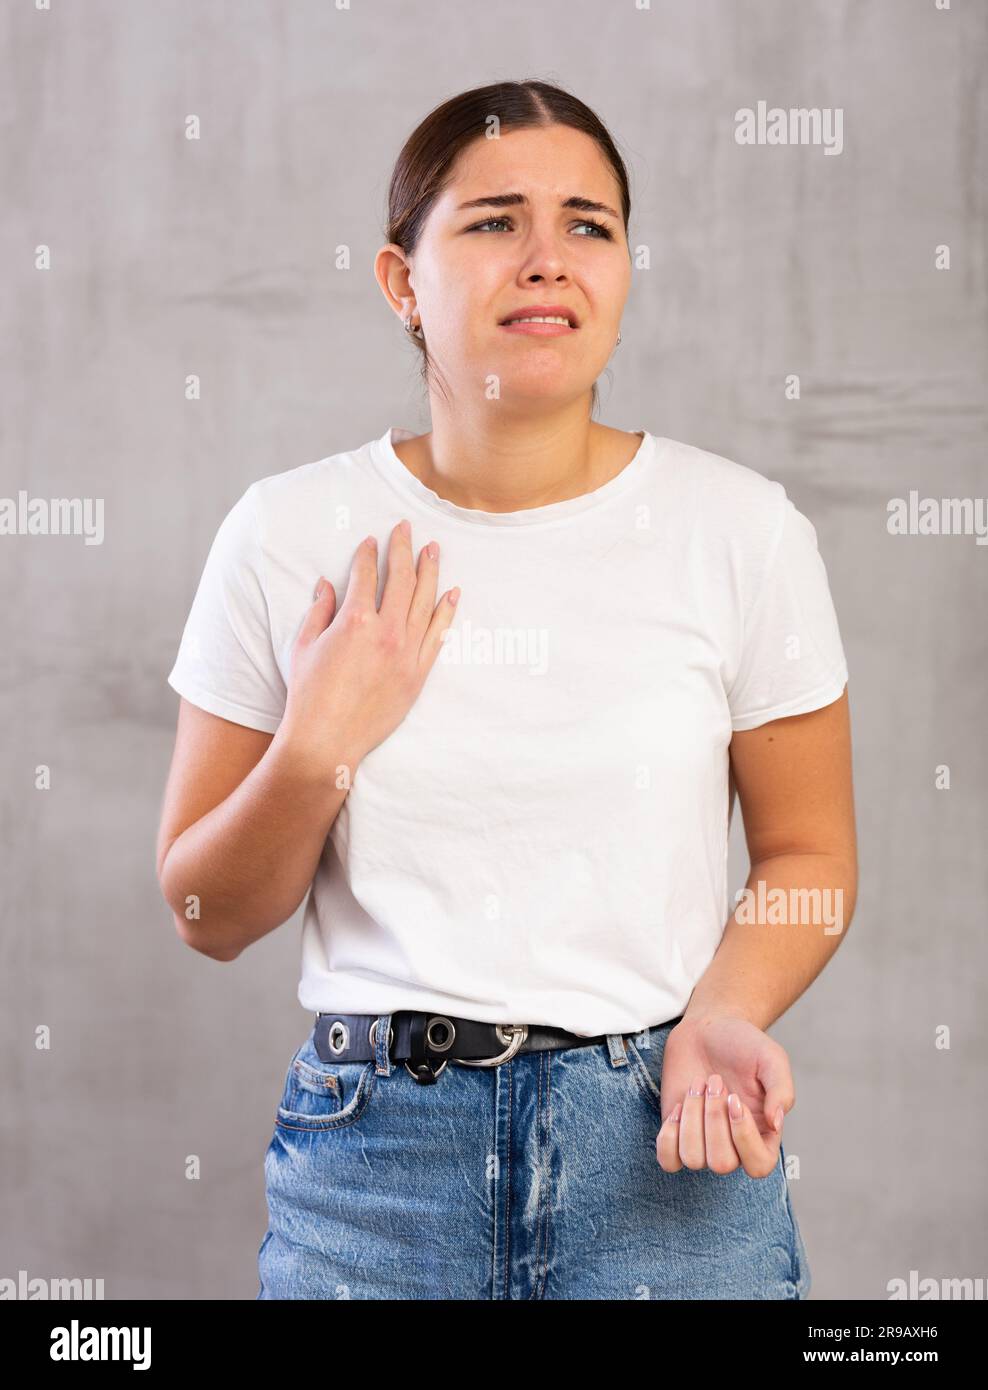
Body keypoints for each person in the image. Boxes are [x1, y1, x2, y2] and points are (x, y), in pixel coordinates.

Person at [157, 79, 856, 1300]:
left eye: (588, 224)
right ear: (399, 281)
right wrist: (320, 742)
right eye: (492, 222)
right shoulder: (288, 532)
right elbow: (208, 913)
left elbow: (807, 856)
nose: (548, 259)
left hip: (664, 1152)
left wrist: (725, 1011)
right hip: (373, 1173)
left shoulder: (741, 531)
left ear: (626, 272)